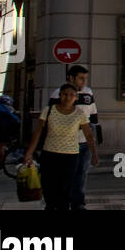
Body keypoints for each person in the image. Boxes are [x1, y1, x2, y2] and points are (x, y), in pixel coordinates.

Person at [23, 83, 98, 210]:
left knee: (66, 188)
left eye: (71, 95)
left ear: (75, 98)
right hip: (49, 154)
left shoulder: (80, 114)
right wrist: (29, 152)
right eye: (65, 94)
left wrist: (94, 154)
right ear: (60, 95)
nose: (68, 97)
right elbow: (38, 132)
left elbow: (89, 136)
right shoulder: (49, 110)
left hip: (70, 156)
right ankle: (50, 206)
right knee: (48, 186)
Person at [48, 64, 98, 209]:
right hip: (67, 144)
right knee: (66, 175)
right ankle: (63, 202)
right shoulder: (58, 94)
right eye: (81, 78)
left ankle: (78, 203)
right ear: (71, 78)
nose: (84, 82)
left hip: (85, 142)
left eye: (85, 79)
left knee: (82, 174)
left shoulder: (88, 93)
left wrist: (94, 142)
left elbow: (93, 117)